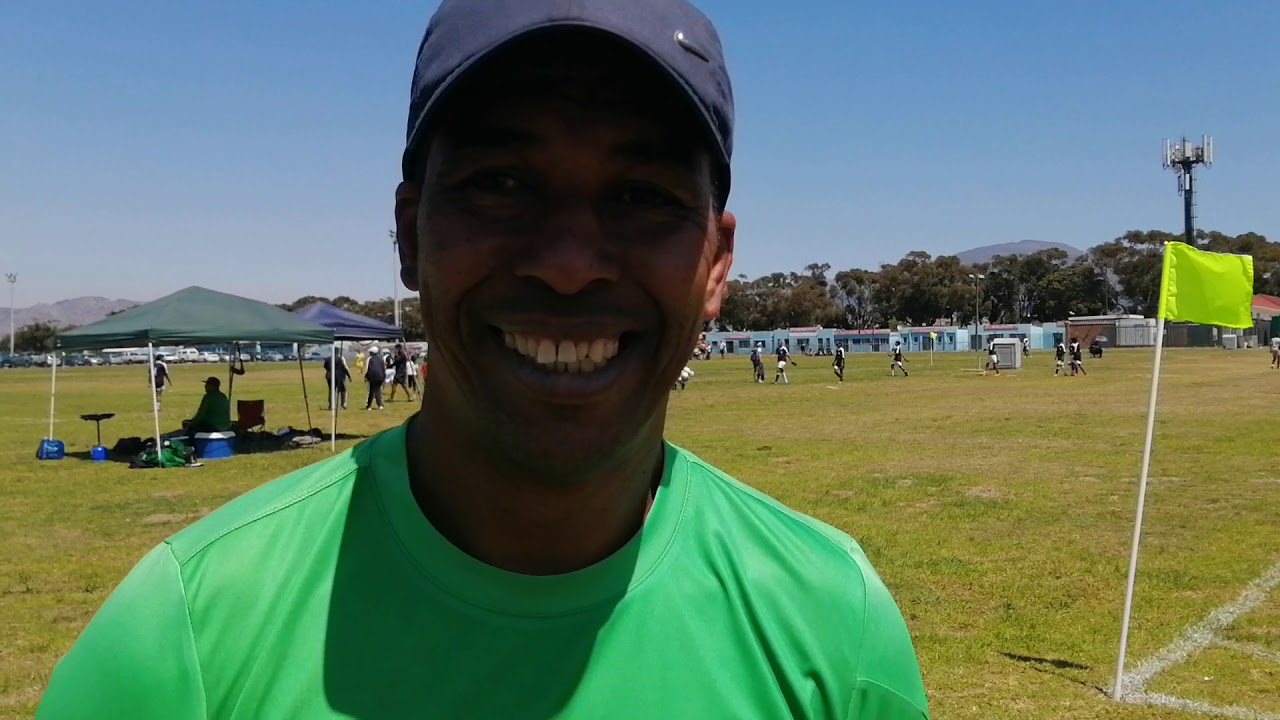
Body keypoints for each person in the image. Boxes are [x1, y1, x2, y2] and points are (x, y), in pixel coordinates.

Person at [38, 3, 929, 719]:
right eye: (501, 183)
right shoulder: (187, 633)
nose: (570, 262)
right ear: (407, 235)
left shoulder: (830, 624)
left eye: (640, 195)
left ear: (716, 266)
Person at [364, 345, 386, 410]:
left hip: (373, 377)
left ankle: (369, 406)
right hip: (380, 377)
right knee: (377, 391)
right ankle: (380, 405)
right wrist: (383, 377)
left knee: (371, 392)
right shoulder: (381, 359)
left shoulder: (371, 359)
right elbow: (383, 369)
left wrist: (366, 377)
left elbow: (370, 369)